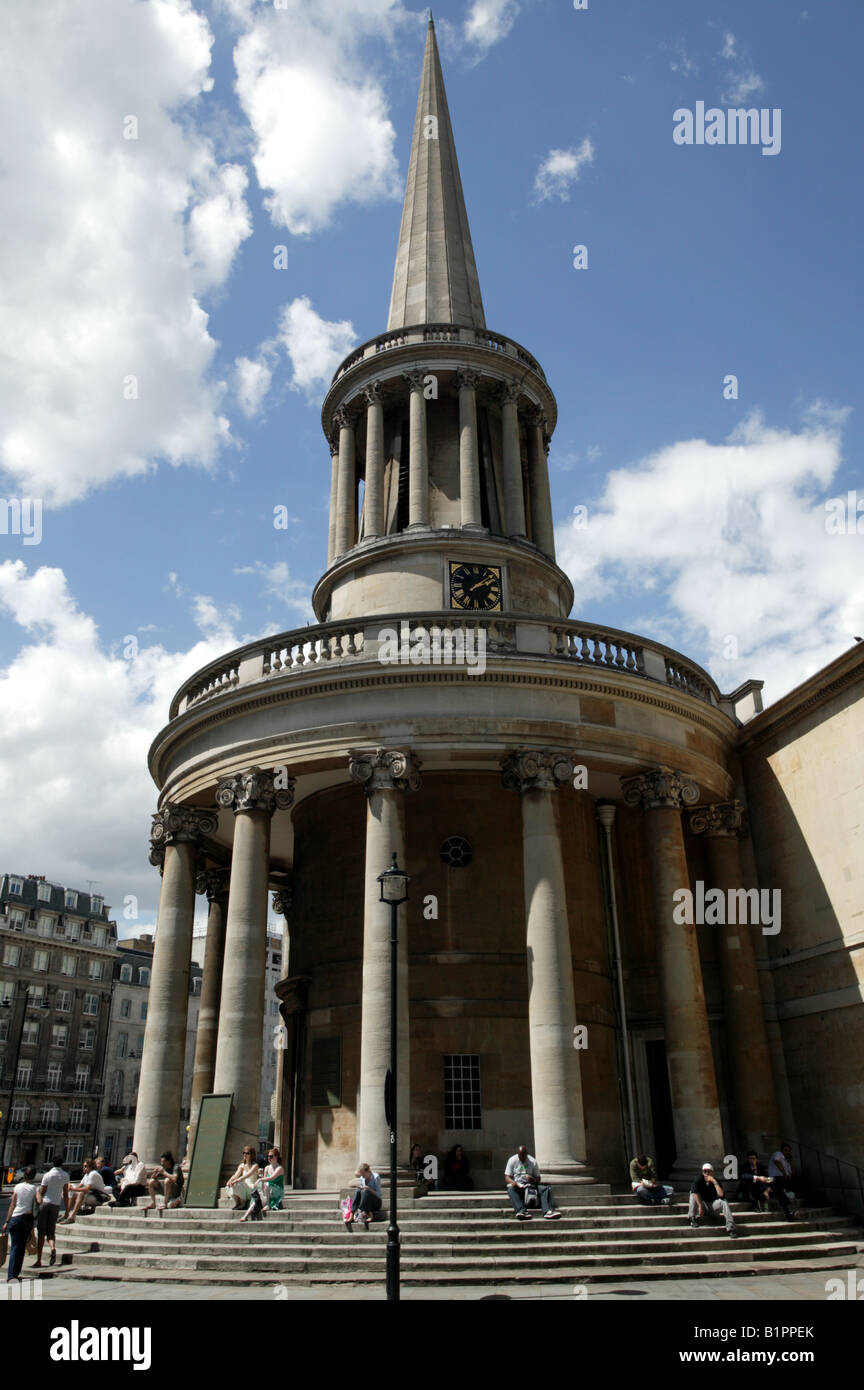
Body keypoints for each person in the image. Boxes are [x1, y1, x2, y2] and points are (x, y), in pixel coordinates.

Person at [504, 1145, 561, 1220]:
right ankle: (521, 1211)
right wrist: (513, 1182)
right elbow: (507, 1177)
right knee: (511, 1189)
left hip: (531, 1186)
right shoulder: (512, 1160)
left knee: (546, 1188)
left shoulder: (532, 1161)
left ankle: (548, 1211)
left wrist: (532, 1179)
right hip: (519, 1186)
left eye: (524, 1156)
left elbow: (538, 1178)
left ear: (526, 1154)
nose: (522, 1158)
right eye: (520, 1156)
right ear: (518, 1154)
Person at [2, 1165, 38, 1281]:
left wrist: (7, 1221)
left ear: (24, 1175)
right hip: (26, 1219)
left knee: (15, 1247)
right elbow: (40, 1200)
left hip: (15, 1218)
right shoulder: (34, 1188)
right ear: (33, 1176)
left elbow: (12, 1205)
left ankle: (12, 1275)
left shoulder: (17, 1187)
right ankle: (14, 1275)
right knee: (21, 1248)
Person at [738, 1151, 795, 1220]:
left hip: (761, 1190)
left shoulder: (760, 1167)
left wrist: (767, 1189)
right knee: (749, 1182)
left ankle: (787, 1210)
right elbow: (743, 1176)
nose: (752, 1160)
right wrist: (758, 1178)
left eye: (753, 1158)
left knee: (776, 1186)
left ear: (757, 1159)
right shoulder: (744, 1167)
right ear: (747, 1159)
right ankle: (756, 1206)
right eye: (750, 1158)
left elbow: (767, 1179)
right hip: (750, 1192)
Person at [34, 1161, 70, 1268]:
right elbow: (65, 1194)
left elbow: (42, 1191)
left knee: (41, 1232)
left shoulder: (48, 1175)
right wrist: (67, 1210)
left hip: (45, 1203)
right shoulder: (65, 1175)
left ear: (53, 1163)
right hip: (56, 1204)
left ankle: (39, 1259)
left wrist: (38, 1199)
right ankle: (52, 1247)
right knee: (51, 1231)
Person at [688, 1162, 739, 1238]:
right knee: (692, 1194)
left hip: (712, 1206)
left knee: (724, 1201)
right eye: (705, 1171)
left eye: (709, 1171)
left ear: (712, 1172)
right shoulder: (698, 1179)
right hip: (702, 1205)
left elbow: (721, 1195)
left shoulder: (716, 1181)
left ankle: (731, 1228)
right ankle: (692, 1218)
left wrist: (714, 1181)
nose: (707, 1173)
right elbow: (694, 1192)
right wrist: (700, 1206)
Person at [768, 1142, 808, 1207]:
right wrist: (784, 1173)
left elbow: (793, 1173)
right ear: (781, 1150)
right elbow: (777, 1162)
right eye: (785, 1150)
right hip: (775, 1178)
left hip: (784, 1179)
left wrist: (791, 1161)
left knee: (801, 1180)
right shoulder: (778, 1154)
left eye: (788, 1151)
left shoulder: (786, 1161)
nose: (787, 1152)